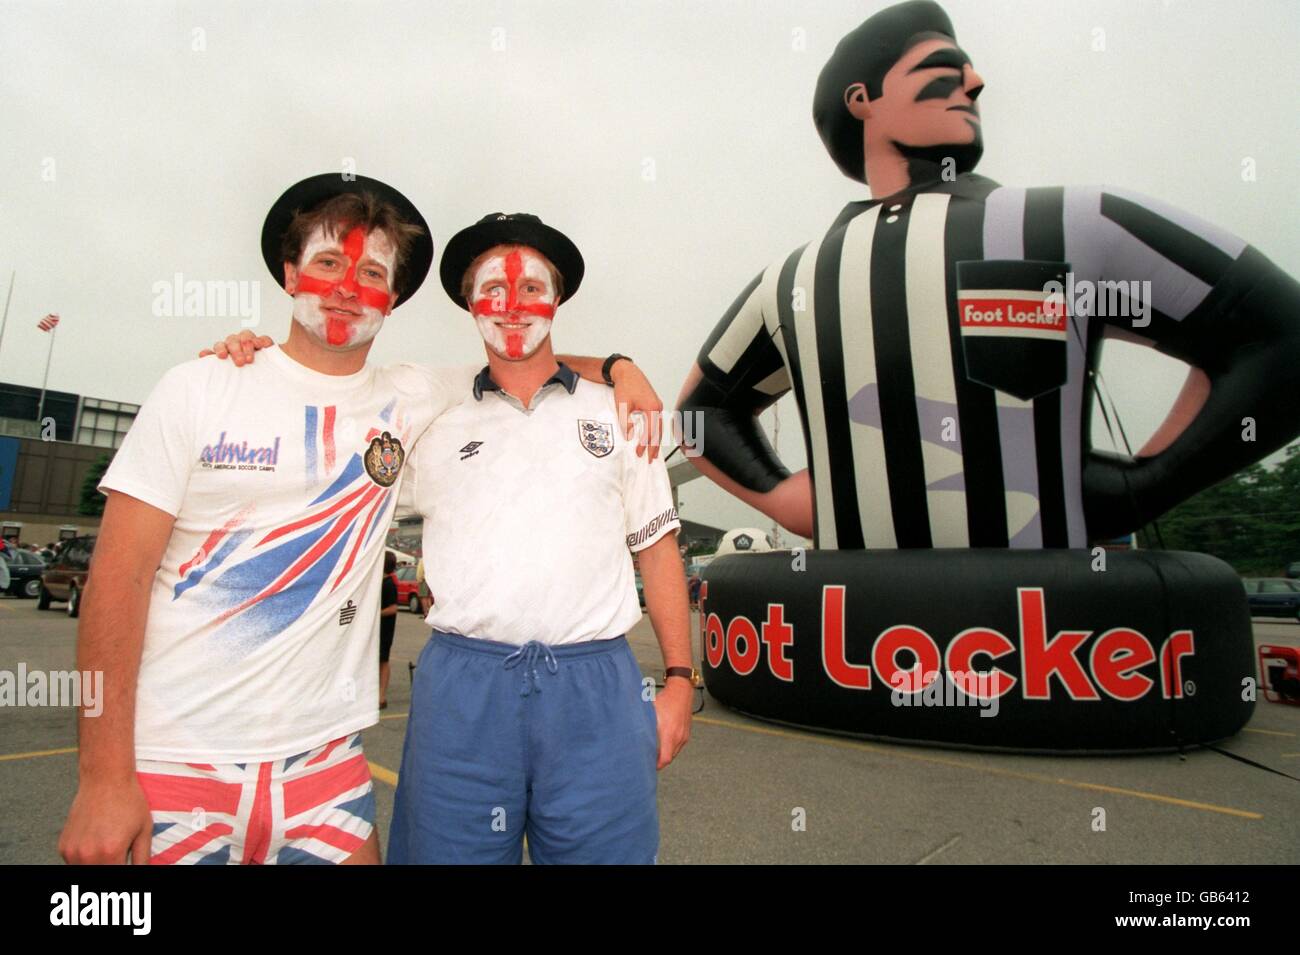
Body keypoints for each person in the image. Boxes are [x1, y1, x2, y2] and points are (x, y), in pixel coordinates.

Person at [59, 173, 661, 866]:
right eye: (327, 263)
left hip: (327, 775)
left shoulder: (412, 396)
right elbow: (116, 580)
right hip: (175, 762)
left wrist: (619, 366)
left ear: (394, 298)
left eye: (371, 271)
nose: (348, 284)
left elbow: (523, 350)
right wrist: (102, 778)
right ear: (289, 274)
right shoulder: (198, 388)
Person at [676, 0, 1300, 551]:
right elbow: (701, 415)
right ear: (861, 98)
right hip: (870, 637)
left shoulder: (1072, 225)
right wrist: (788, 500)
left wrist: (1147, 486)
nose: (974, 82)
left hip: (1044, 635)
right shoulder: (792, 280)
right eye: (942, 68)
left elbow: (1281, 335)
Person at [388, 213, 694, 865]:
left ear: (557, 299)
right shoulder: (431, 412)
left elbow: (656, 545)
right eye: (493, 287)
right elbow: (320, 395)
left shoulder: (617, 410)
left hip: (597, 687)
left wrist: (678, 680)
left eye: (533, 286)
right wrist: (244, 360)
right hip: (463, 691)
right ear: (471, 302)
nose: (513, 303)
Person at [379, 551, 399, 709]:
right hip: (378, 629)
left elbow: (393, 608)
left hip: (385, 628)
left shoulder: (389, 584)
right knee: (377, 661)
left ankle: (382, 696)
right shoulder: (381, 582)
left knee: (383, 660)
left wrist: (376, 614)